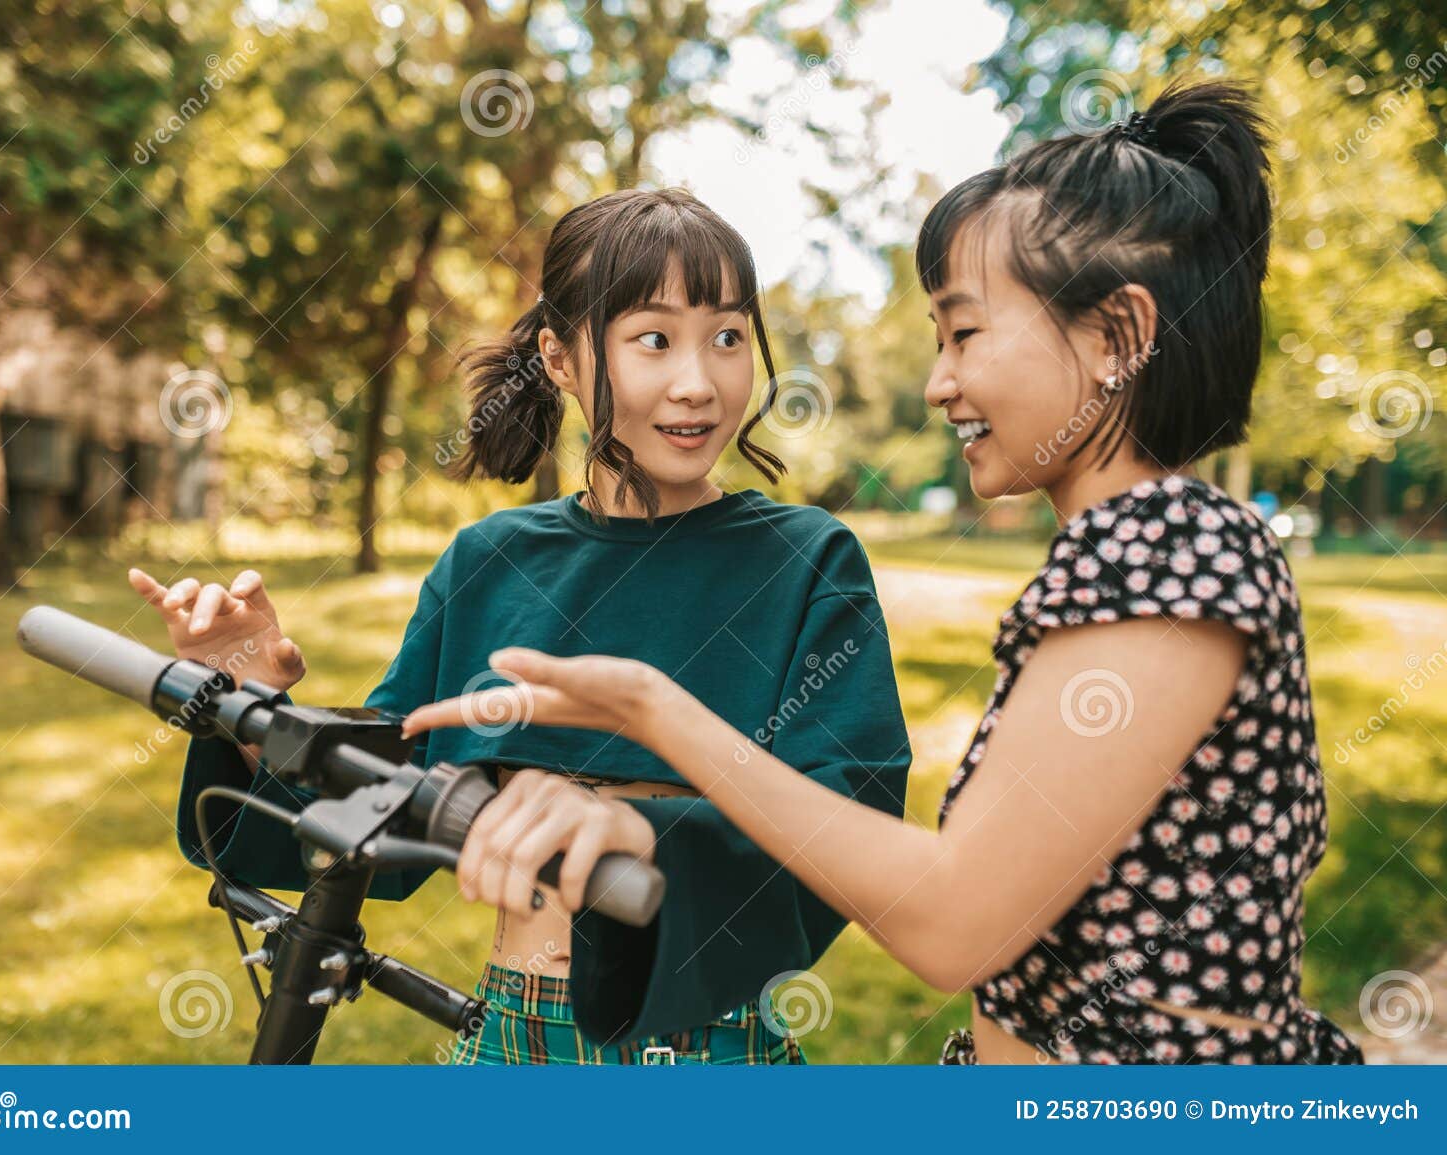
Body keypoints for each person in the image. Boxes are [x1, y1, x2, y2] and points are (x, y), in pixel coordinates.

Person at [402, 82, 1364, 1065]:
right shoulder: (1134, 554)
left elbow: (951, 920)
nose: (938, 383)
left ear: (1116, 337)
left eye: (964, 334)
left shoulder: (1169, 557)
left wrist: (656, 716)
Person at [129, 188, 911, 1064]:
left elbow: (853, 824)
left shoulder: (806, 561)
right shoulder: (491, 561)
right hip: (506, 1041)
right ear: (561, 358)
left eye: (728, 336)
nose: (699, 382)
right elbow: (380, 816)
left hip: (718, 1051)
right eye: (654, 339)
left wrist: (642, 837)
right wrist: (253, 710)